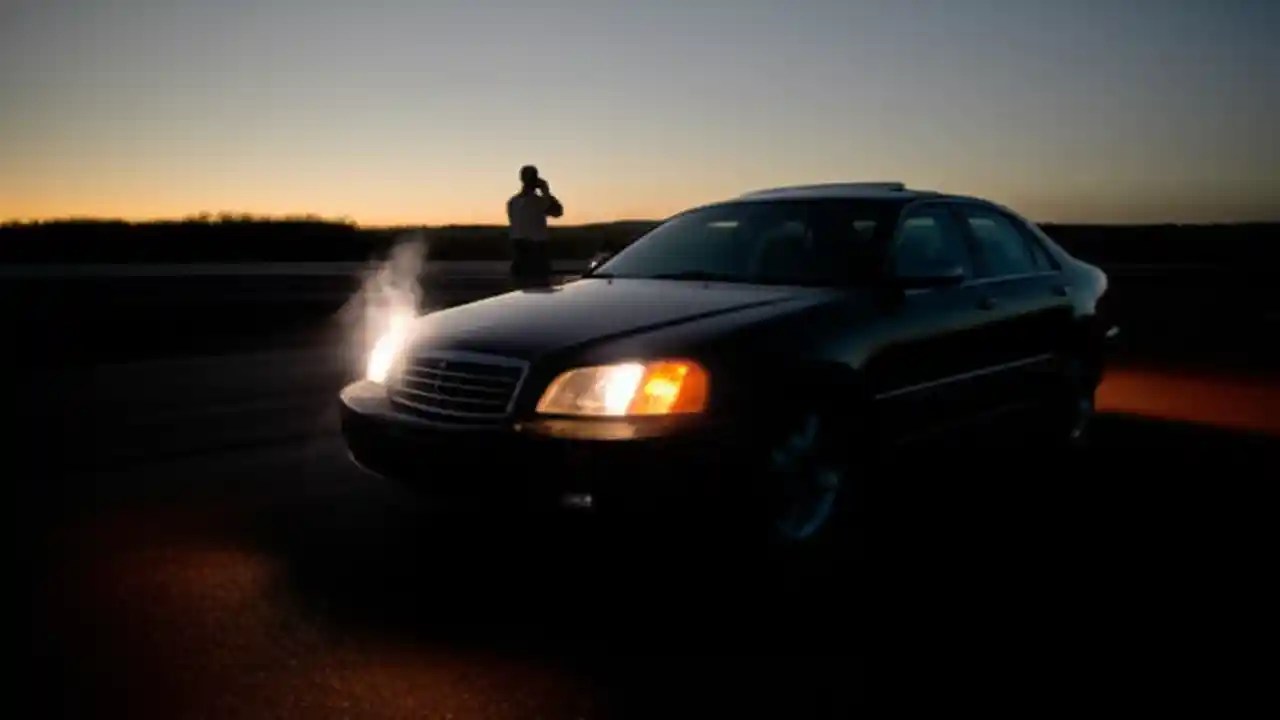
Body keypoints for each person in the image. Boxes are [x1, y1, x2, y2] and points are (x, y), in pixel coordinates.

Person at [507, 165, 563, 286]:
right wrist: (546, 191)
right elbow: (557, 211)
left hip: (522, 249)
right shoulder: (537, 202)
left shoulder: (513, 202)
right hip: (534, 250)